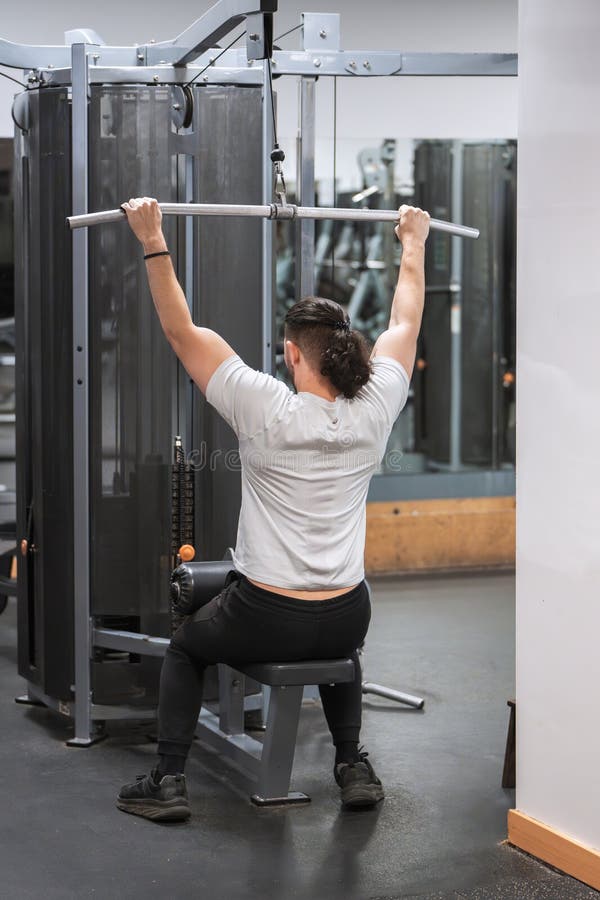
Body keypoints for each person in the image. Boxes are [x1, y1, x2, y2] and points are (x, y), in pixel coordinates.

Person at [116, 197, 430, 822]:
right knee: (343, 649)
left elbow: (182, 332)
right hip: (347, 610)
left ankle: (168, 781)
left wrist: (152, 237)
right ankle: (351, 764)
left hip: (267, 613)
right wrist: (413, 241)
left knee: (184, 646)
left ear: (291, 353)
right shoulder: (376, 407)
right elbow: (405, 321)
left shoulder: (266, 406)